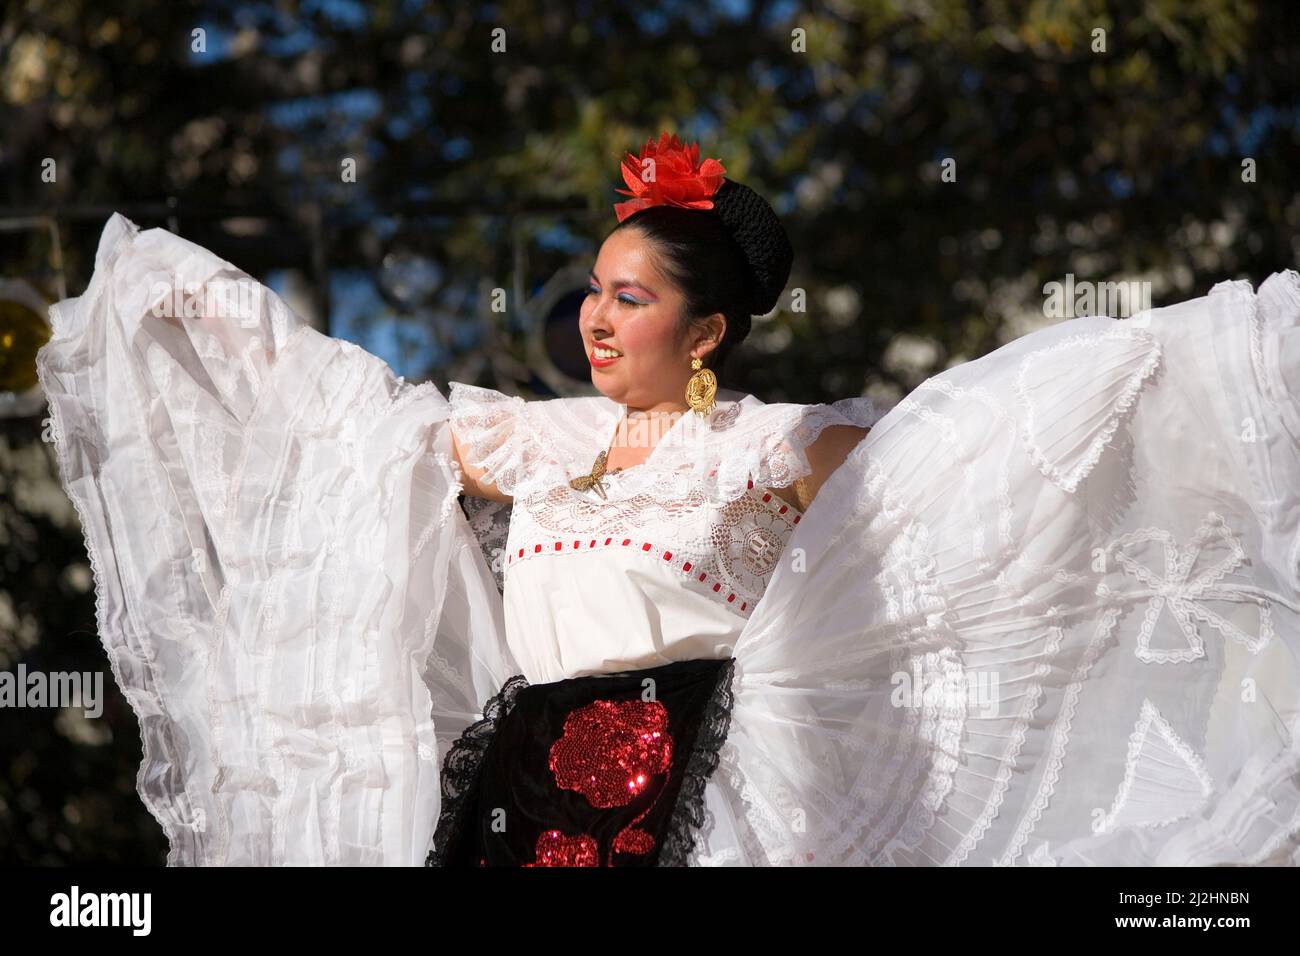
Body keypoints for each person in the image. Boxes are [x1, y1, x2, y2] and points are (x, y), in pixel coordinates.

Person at [35, 132, 1300, 867]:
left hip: (707, 806)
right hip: (515, 807)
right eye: (593, 287)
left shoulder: (776, 445)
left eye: (629, 297)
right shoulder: (535, 440)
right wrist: (179, 296)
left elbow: (956, 476)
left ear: (704, 331)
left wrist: (1202, 362)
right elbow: (349, 418)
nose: (593, 313)